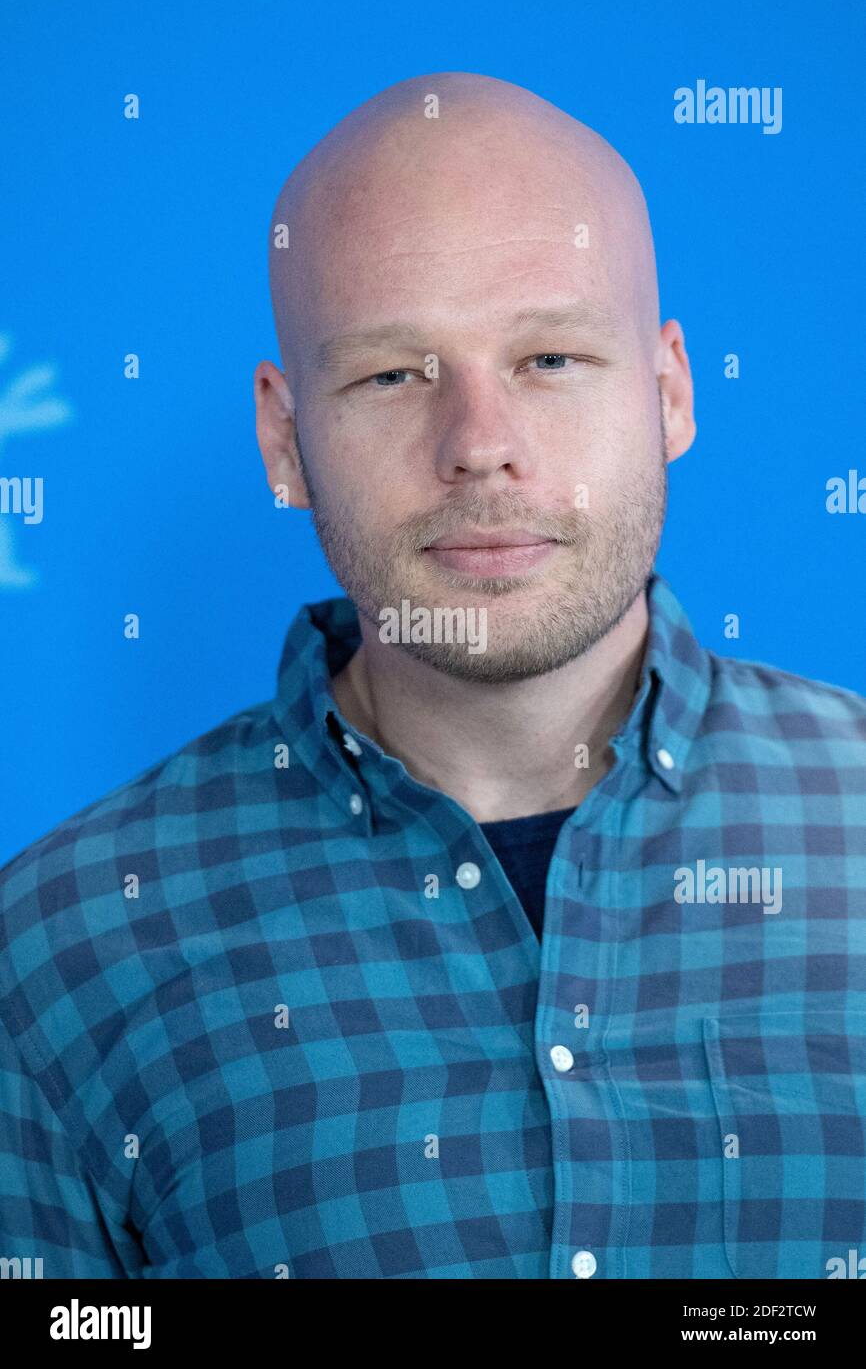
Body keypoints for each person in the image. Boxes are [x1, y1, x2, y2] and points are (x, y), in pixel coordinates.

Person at [1, 72, 865, 1281]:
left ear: (668, 392)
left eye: (551, 357)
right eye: (392, 374)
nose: (478, 444)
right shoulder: (57, 950)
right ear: (282, 438)